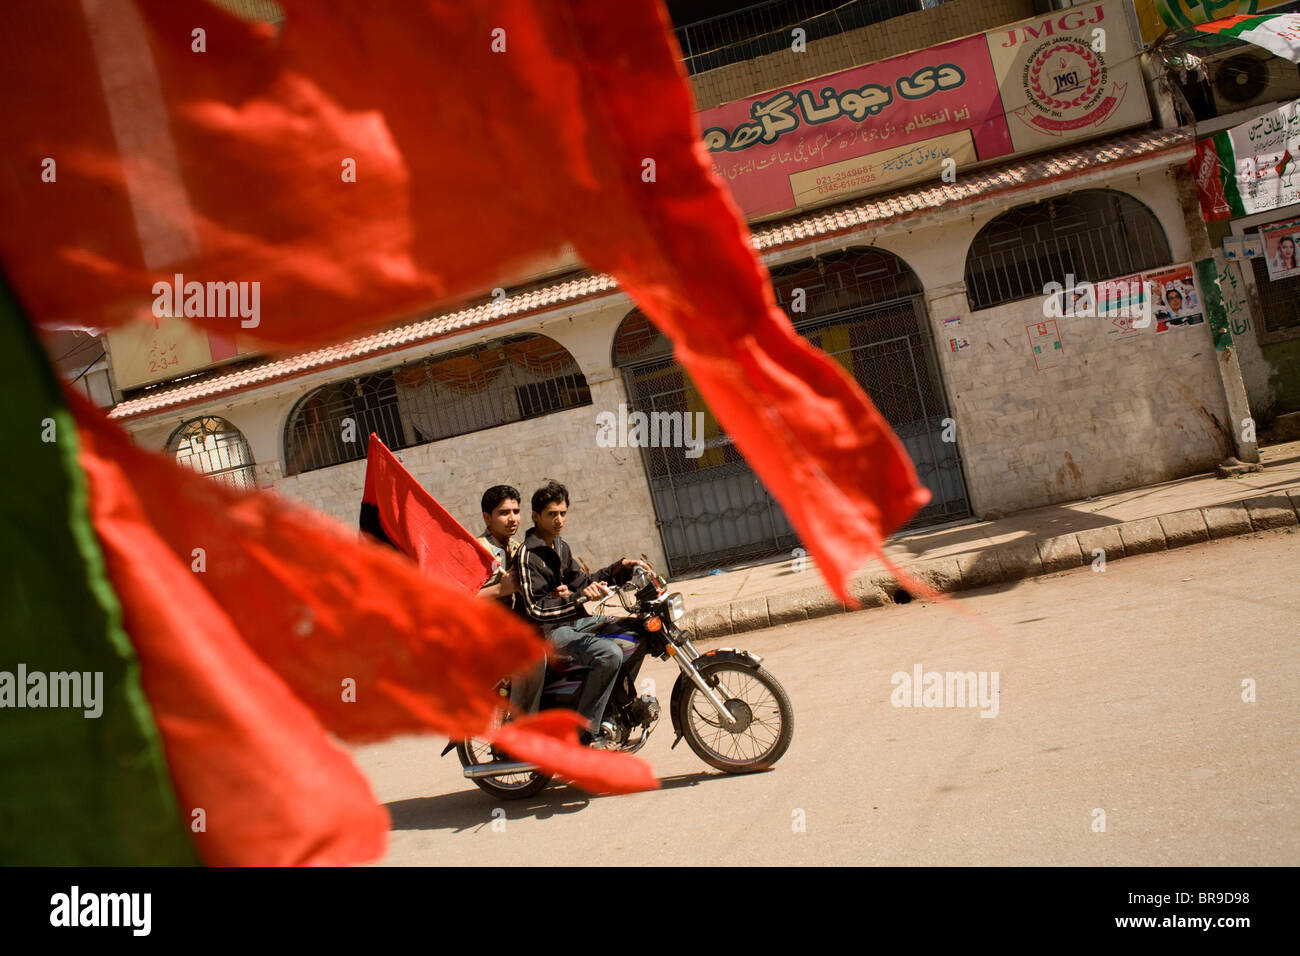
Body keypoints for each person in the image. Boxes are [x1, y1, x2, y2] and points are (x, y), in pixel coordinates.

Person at [514, 480, 650, 747]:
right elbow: (536, 609)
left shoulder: (560, 546)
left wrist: (620, 568)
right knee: (609, 653)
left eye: (563, 513)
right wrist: (577, 600)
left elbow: (581, 580)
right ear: (536, 516)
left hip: (573, 622)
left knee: (637, 633)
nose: (559, 520)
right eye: (552, 514)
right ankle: (586, 731)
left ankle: (614, 705)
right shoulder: (527, 555)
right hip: (546, 633)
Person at [475, 484, 544, 719]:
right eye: (504, 513)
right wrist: (498, 589)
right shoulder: (477, 550)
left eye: (516, 511)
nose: (512, 518)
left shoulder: (518, 548)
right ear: (487, 517)